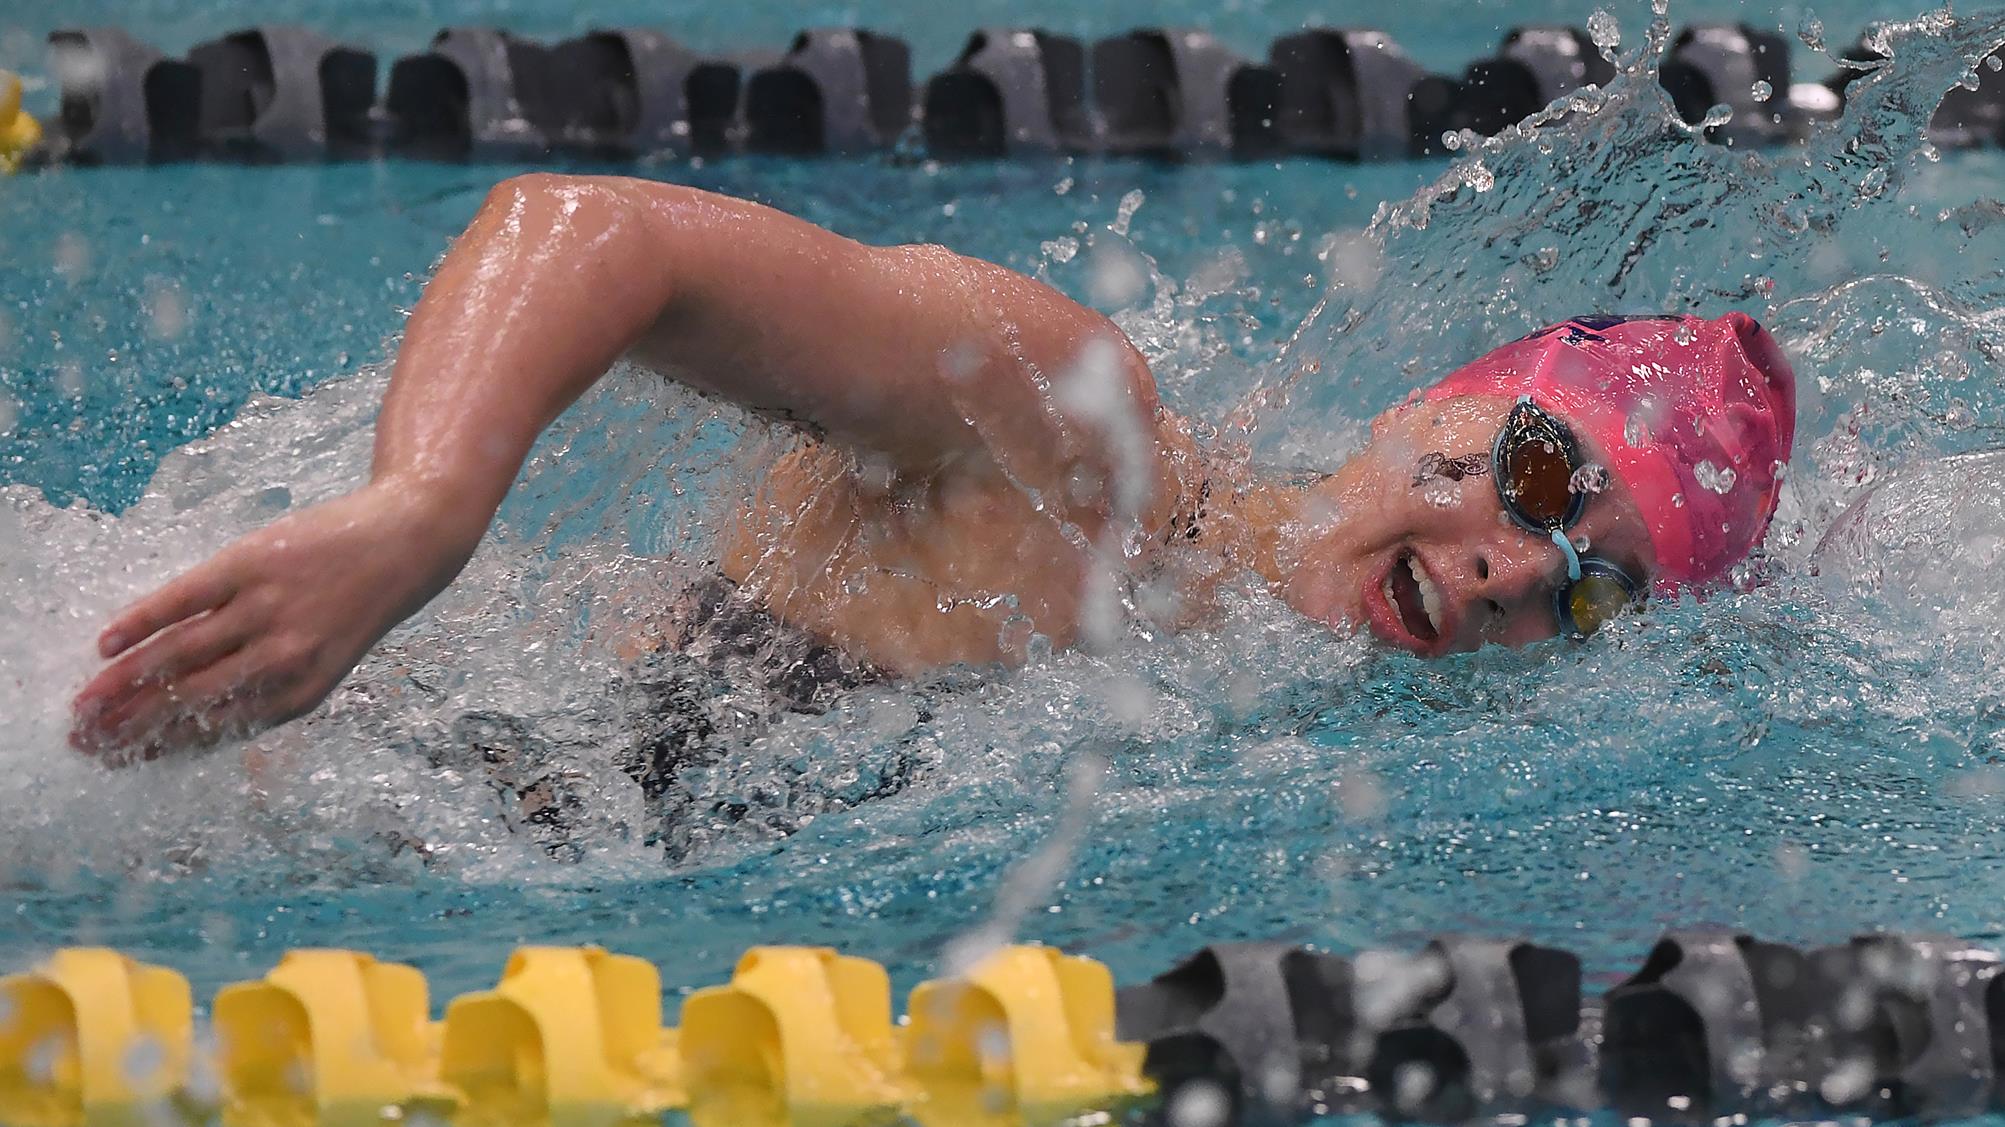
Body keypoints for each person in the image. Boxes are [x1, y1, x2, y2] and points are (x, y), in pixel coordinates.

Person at [68, 174, 1796, 762]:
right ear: (1428, 408)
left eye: (1592, 590)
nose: (1516, 569)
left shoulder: (1249, 707)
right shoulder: (1074, 447)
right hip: (228, 727)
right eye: (1539, 478)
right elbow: (590, 228)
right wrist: (419, 510)